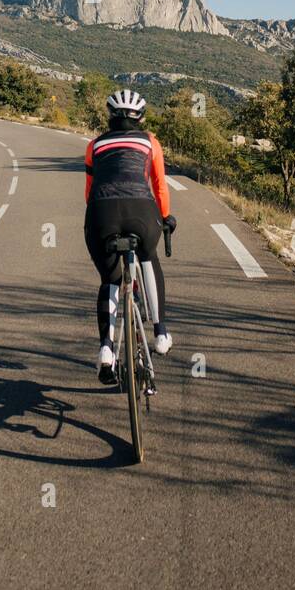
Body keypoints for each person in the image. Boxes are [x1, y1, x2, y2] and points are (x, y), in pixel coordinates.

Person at [84, 89, 176, 384]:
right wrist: (165, 218)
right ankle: (161, 332)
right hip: (141, 211)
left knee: (109, 279)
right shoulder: (150, 141)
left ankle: (106, 349)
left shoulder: (94, 145)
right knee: (149, 258)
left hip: (102, 212)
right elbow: (160, 186)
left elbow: (89, 192)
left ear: (109, 116)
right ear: (141, 118)